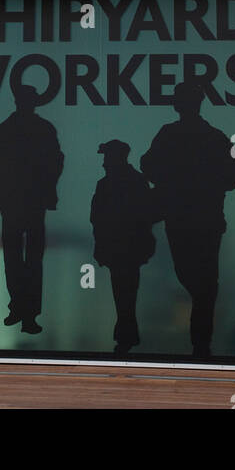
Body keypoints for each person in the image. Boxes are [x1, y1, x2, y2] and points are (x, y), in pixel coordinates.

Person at [141, 80, 235, 359]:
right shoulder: (214, 137)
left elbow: (148, 165)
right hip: (202, 219)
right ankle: (201, 342)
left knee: (198, 279)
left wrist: (176, 182)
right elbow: (233, 174)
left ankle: (201, 343)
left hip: (188, 218)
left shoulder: (176, 135)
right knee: (202, 281)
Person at [0, 86, 63, 335]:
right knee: (25, 260)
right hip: (25, 203)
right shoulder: (39, 130)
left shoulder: (4, 131)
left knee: (19, 260)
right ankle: (25, 312)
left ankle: (23, 311)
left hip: (18, 203)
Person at [90, 140, 157, 355]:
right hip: (126, 248)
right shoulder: (133, 181)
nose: (103, 163)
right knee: (125, 292)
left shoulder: (112, 184)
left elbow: (97, 217)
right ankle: (127, 334)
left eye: (106, 157)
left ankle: (126, 335)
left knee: (123, 292)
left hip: (123, 248)